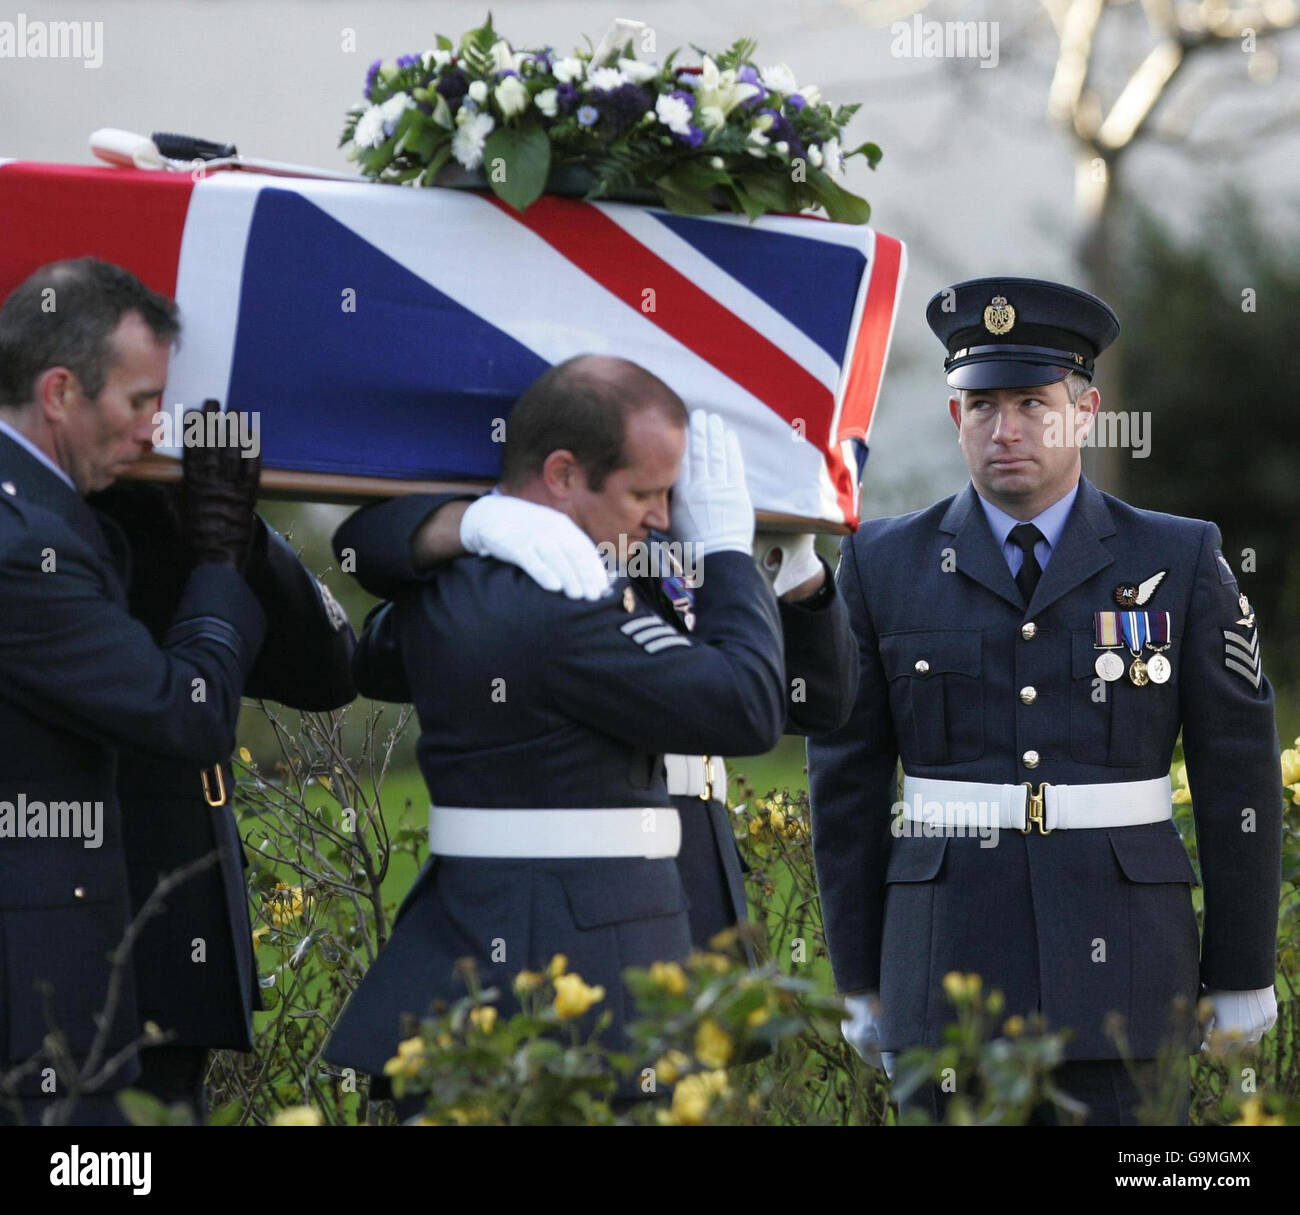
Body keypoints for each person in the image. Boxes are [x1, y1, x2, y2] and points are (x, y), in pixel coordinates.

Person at [808, 277, 1283, 1126]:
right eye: (983, 405)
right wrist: (860, 978)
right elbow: (844, 783)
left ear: (1087, 411)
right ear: (957, 419)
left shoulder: (1178, 557)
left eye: (1034, 401)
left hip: (1128, 983)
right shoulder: (883, 565)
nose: (1008, 429)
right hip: (944, 975)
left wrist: (1242, 968)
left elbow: (1237, 772)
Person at [323, 356, 787, 1109]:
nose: (664, 516)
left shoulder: (449, 586)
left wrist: (458, 521)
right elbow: (748, 704)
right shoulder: (572, 605)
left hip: (460, 953)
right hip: (594, 971)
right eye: (644, 492)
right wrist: (732, 557)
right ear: (565, 474)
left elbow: (371, 624)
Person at [329, 461, 856, 963]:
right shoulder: (530, 556)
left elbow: (816, 704)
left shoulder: (691, 546)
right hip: (573, 877)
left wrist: (794, 570)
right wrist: (471, 524)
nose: (656, 510)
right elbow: (381, 658)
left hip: (696, 863)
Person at [0, 258, 268, 1125]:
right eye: (139, 401)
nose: (157, 429)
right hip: (33, 980)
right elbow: (184, 714)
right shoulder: (22, 543)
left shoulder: (40, 514)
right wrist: (221, 559)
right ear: (59, 391)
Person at [89, 438, 357, 1119]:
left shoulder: (172, 508)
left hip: (185, 927)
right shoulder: (56, 517)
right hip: (91, 918)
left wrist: (233, 527)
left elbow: (329, 669)